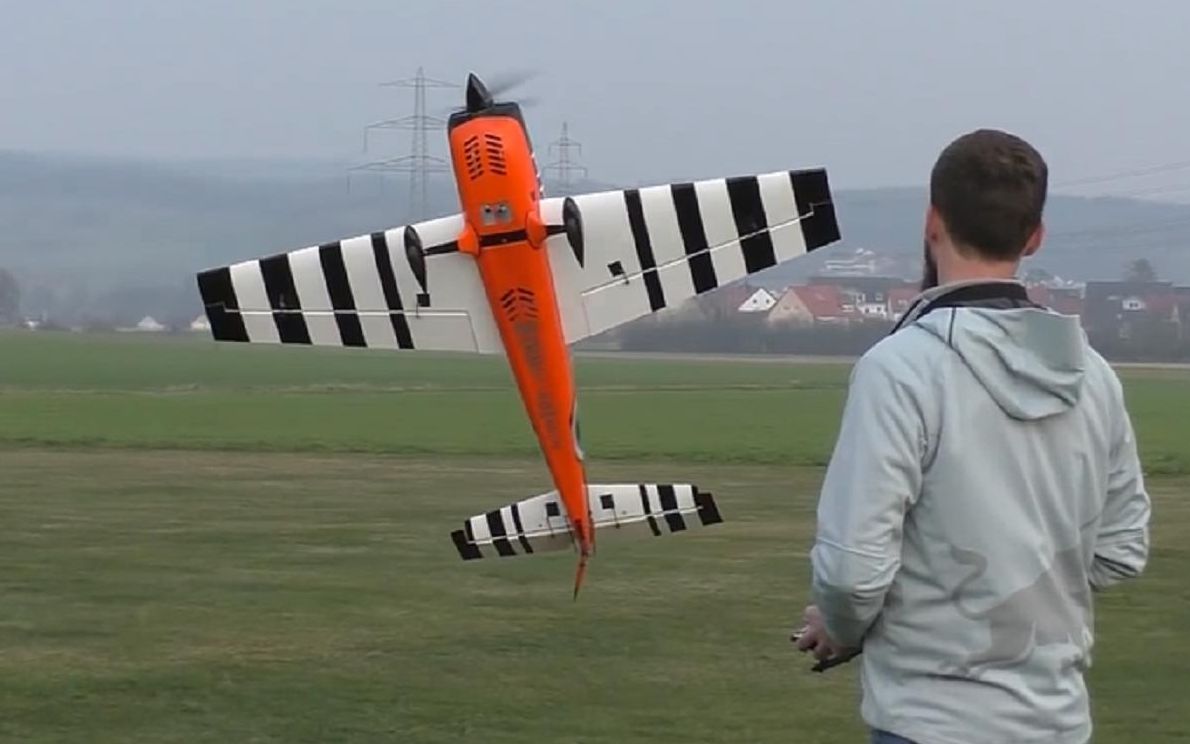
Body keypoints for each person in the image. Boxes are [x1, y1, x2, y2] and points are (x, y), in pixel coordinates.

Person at [793, 128, 1152, 744]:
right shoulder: (1096, 378)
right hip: (1058, 721)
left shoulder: (899, 369)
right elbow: (1121, 549)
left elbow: (853, 574)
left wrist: (841, 627)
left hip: (930, 720)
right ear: (1035, 237)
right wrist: (1022, 597)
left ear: (932, 222)